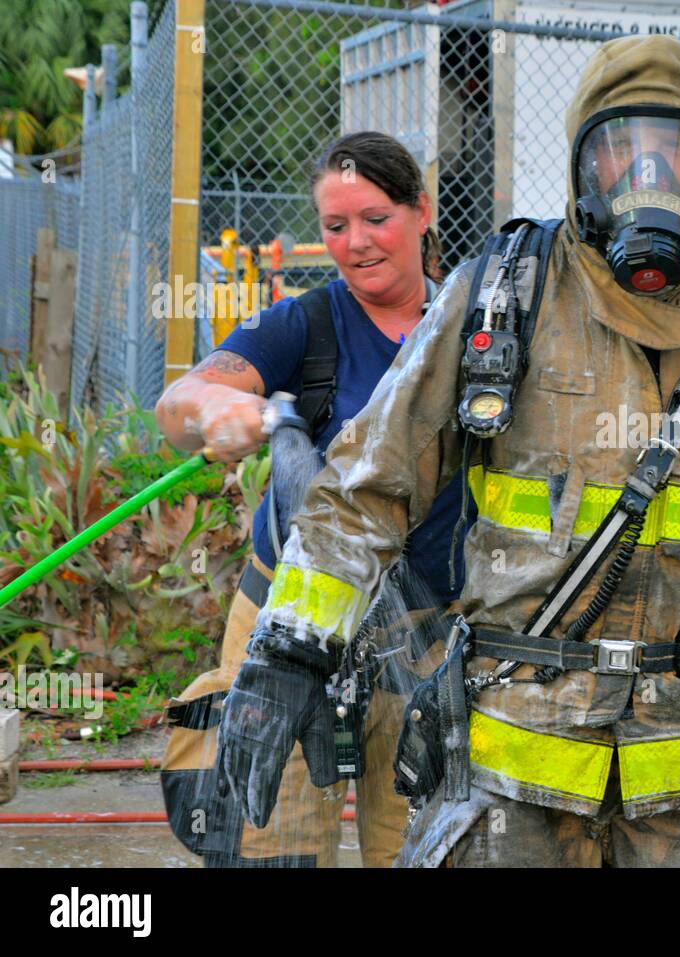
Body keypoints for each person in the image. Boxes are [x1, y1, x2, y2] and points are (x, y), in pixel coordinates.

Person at [215, 36, 680, 868]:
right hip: (513, 766)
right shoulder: (505, 295)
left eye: (674, 153)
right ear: (585, 164)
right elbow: (368, 487)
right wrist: (290, 648)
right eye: (623, 152)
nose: (647, 179)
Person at [155, 131, 473, 867]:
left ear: (421, 211)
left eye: (375, 218)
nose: (354, 243)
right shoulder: (308, 325)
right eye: (335, 226)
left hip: (422, 637)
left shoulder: (472, 330)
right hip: (285, 628)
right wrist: (213, 409)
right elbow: (178, 401)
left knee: (425, 847)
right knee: (272, 836)